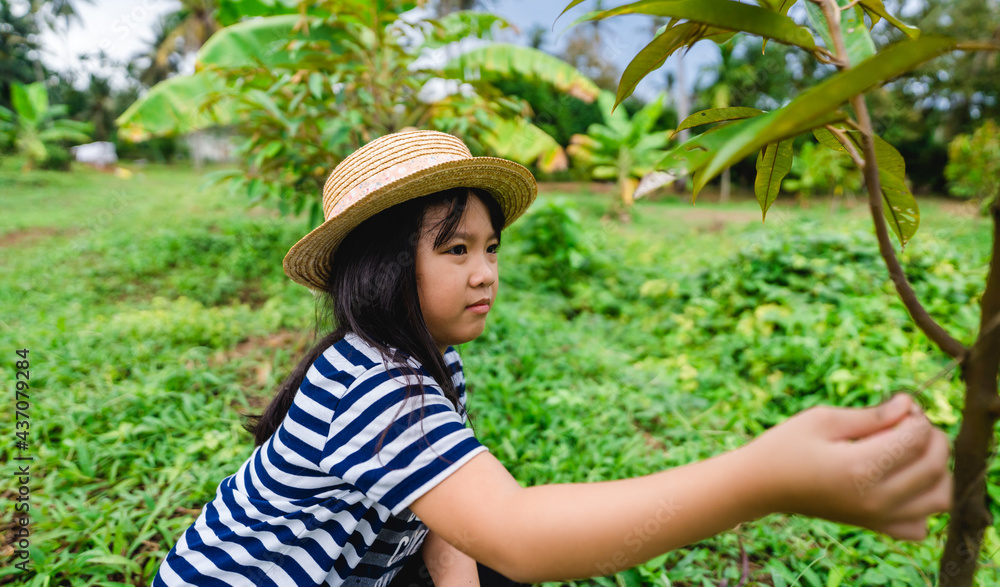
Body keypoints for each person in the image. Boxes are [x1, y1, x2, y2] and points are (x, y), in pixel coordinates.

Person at [152, 129, 953, 587]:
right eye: (456, 248)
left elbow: (454, 524)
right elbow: (520, 530)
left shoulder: (426, 366)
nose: (486, 271)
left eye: (491, 247)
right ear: (385, 268)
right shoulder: (375, 386)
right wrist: (764, 477)